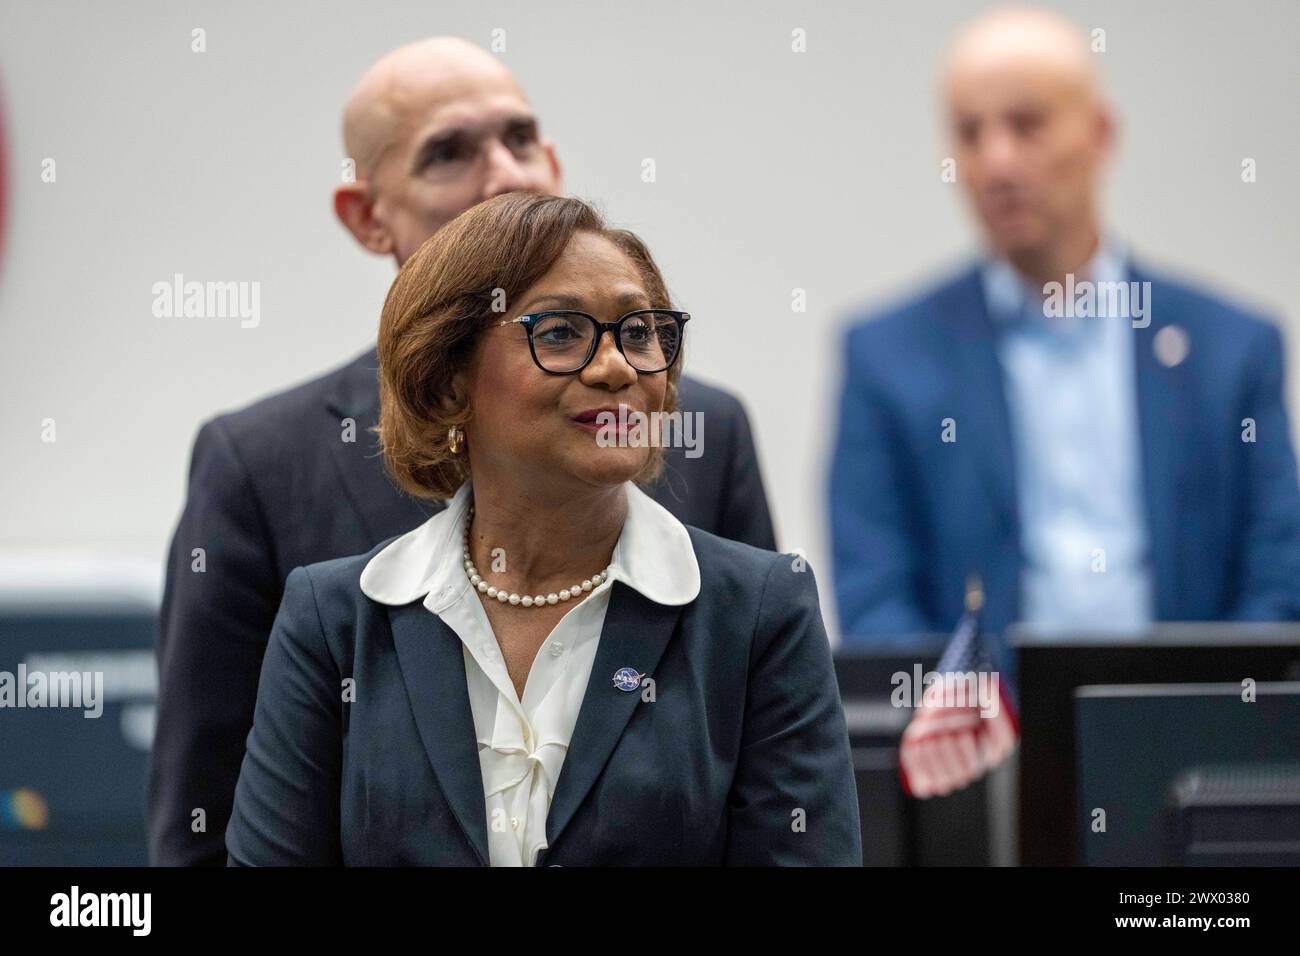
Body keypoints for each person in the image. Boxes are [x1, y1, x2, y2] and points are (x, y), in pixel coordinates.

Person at [149, 39, 776, 866]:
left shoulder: (697, 427)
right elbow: (203, 814)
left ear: (553, 163)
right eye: (448, 152)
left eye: (521, 140)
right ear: (367, 214)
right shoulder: (259, 464)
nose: (503, 174)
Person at [225, 193, 860, 866]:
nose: (617, 366)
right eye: (560, 332)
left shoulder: (760, 611)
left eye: (640, 332)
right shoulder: (333, 622)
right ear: (447, 385)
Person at [829, 7, 1300, 675]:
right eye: (970, 132)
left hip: (1189, 752)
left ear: (1101, 134)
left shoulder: (1231, 349)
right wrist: (964, 738)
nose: (996, 161)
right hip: (981, 755)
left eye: (1027, 125)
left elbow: (1276, 586)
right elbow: (877, 603)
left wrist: (1208, 723)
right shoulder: (887, 358)